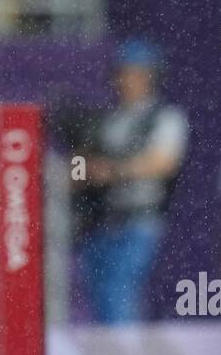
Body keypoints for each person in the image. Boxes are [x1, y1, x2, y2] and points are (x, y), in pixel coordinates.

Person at [79, 40, 188, 324]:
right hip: (101, 219)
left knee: (120, 291)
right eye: (125, 74)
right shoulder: (109, 119)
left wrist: (113, 171)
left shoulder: (165, 117)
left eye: (137, 74)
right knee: (100, 293)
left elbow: (163, 162)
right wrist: (83, 172)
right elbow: (81, 164)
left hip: (140, 217)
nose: (128, 82)